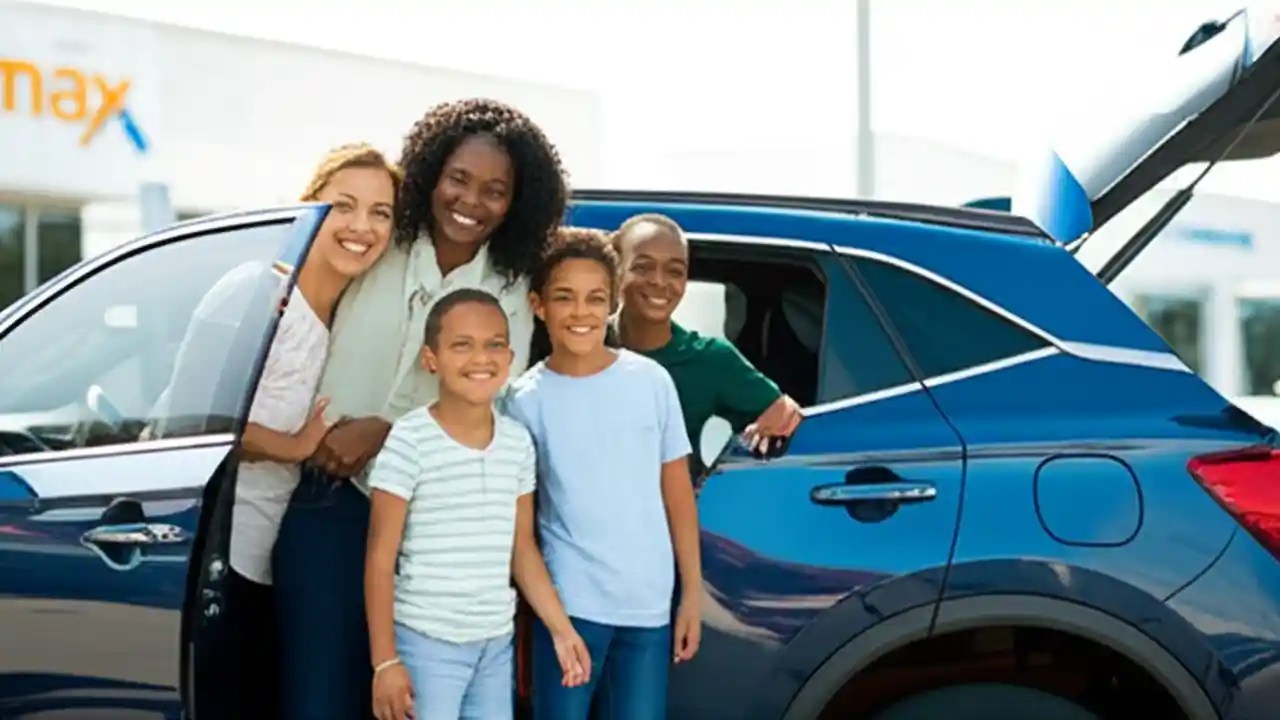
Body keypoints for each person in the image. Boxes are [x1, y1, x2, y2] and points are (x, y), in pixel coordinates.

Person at [272, 98, 569, 719]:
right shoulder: (379, 243)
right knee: (320, 699)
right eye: (458, 178)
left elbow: (484, 393)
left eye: (495, 190)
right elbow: (306, 286)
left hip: (437, 534)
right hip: (333, 500)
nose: (471, 200)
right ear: (431, 174)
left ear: (517, 202)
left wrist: (383, 431)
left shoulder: (512, 285)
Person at [168, 142, 399, 717]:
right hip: (210, 560)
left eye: (381, 213)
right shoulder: (255, 291)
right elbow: (189, 422)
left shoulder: (348, 318)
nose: (361, 226)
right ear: (309, 206)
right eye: (343, 206)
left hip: (273, 564)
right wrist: (292, 446)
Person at [504, 228, 703, 720]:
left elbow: (676, 493)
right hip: (571, 608)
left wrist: (691, 594)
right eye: (564, 298)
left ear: (612, 304)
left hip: (648, 608)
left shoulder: (651, 383)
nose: (580, 312)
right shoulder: (523, 401)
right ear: (538, 305)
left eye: (595, 299)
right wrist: (553, 622)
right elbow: (519, 531)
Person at [364, 288, 589, 720]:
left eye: (493, 345)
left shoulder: (517, 443)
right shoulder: (410, 440)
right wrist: (385, 661)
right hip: (426, 643)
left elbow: (521, 550)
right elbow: (379, 558)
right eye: (461, 345)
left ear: (509, 357)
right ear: (431, 359)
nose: (480, 358)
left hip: (493, 644)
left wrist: (561, 630)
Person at [611, 213, 803, 474]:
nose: (659, 281)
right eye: (643, 267)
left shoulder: (709, 358)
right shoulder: (584, 343)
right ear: (616, 270)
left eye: (675, 271)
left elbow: (782, 413)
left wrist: (783, 412)